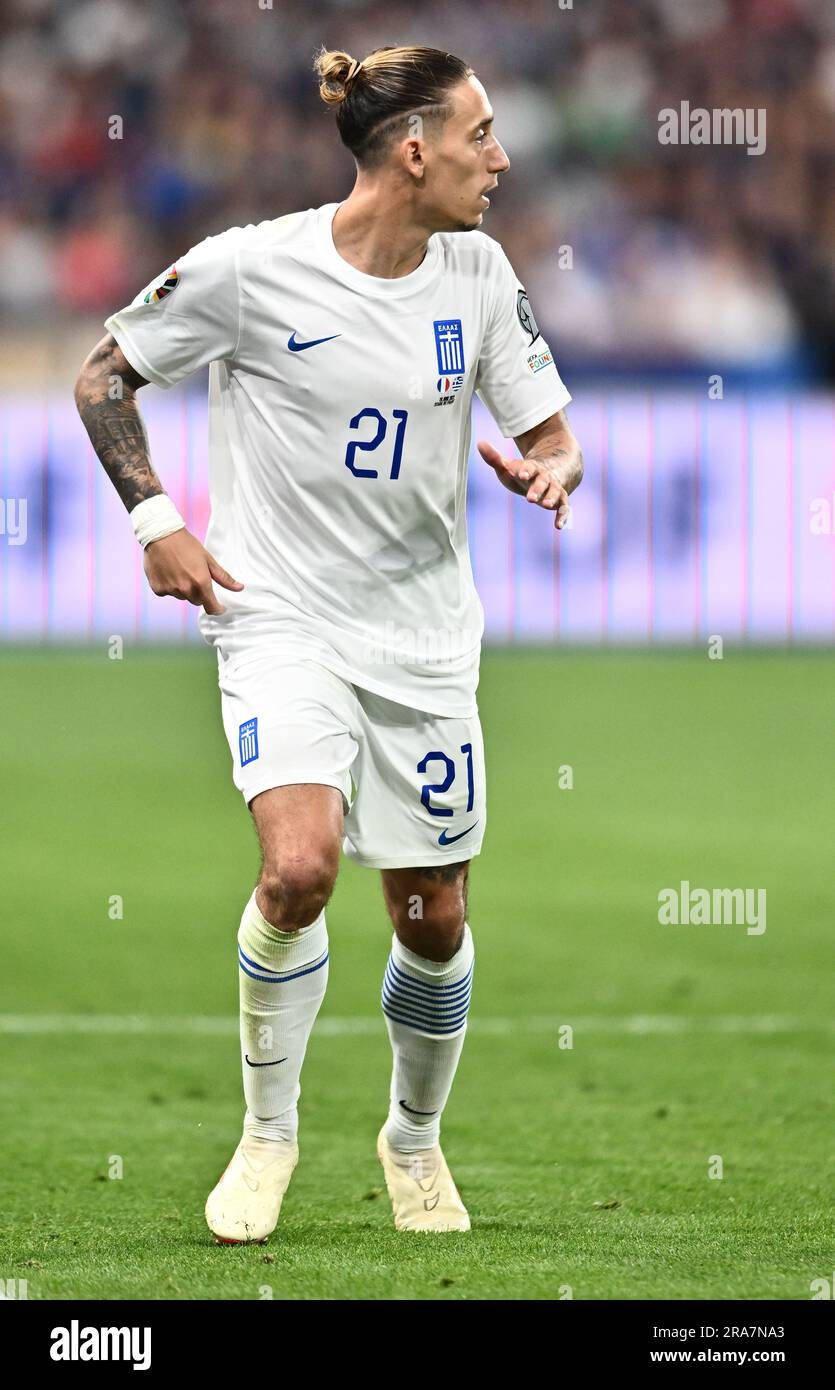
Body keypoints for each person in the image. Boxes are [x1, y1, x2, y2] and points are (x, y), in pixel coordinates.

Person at [74, 44, 583, 1242]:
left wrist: (553, 466)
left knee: (434, 918)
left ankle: (411, 1137)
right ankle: (266, 1135)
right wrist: (158, 520)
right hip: (279, 617)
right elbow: (105, 375)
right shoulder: (252, 269)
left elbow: (551, 428)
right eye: (481, 135)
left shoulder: (476, 272)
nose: (499, 159)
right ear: (415, 150)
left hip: (421, 637)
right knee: (297, 869)